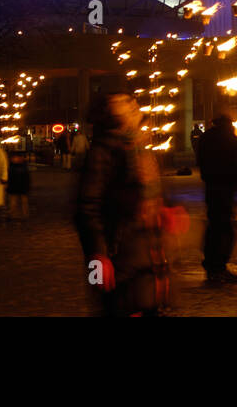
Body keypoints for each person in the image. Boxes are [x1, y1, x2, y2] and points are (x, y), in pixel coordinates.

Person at [75, 90, 168, 316]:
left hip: (146, 252)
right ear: (109, 112)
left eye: (132, 100)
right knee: (116, 306)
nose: (133, 104)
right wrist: (97, 256)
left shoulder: (138, 147)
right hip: (116, 253)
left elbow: (145, 193)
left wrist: (165, 211)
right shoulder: (102, 150)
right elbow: (87, 207)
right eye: (123, 101)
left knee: (147, 305)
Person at [196, 114, 237, 283]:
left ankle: (211, 266)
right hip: (226, 187)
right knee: (225, 229)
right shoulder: (230, 139)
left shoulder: (205, 139)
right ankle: (219, 267)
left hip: (211, 186)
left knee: (213, 226)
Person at [7, 149, 31, 221]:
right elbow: (9, 178)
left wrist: (27, 187)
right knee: (13, 203)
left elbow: (27, 178)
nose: (15, 159)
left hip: (22, 187)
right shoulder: (11, 167)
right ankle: (12, 215)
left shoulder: (23, 167)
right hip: (14, 187)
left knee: (23, 203)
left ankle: (25, 215)